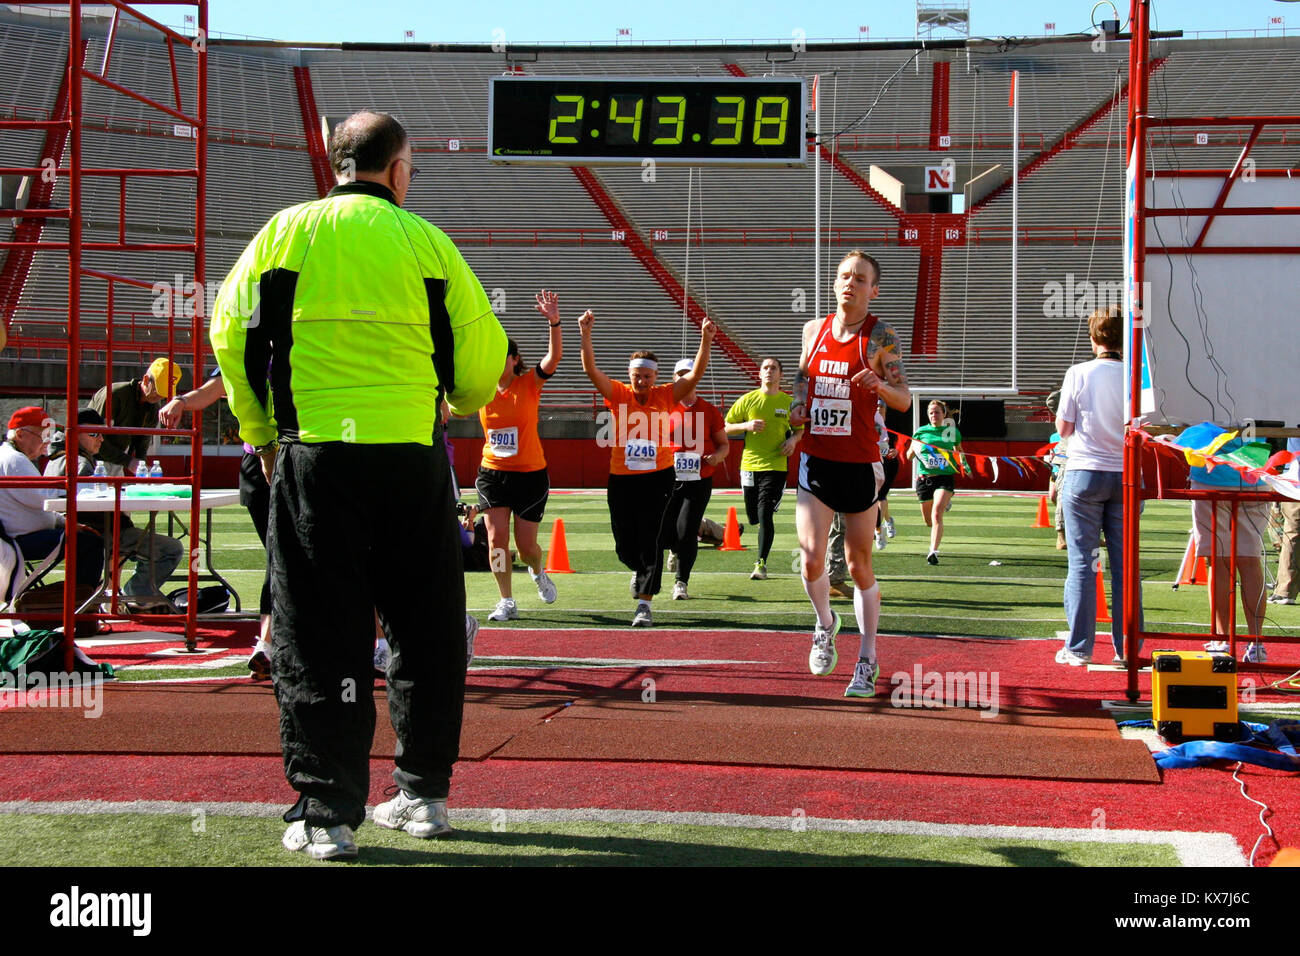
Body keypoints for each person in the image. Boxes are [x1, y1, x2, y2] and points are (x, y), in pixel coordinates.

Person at [210, 110, 507, 860]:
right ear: (399, 169)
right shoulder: (428, 243)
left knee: (319, 632)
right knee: (426, 627)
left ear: (336, 160)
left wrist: (259, 430)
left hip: (316, 459)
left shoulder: (285, 232)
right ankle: (422, 795)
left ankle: (325, 812)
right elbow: (479, 369)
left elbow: (231, 333)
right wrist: (446, 398)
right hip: (410, 459)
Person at [790, 250, 911, 698]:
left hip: (860, 463)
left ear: (873, 290)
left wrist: (879, 384)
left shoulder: (880, 337)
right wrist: (799, 406)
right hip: (817, 460)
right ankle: (825, 624)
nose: (849, 283)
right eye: (844, 276)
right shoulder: (813, 329)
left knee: (860, 566)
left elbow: (904, 398)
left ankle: (868, 656)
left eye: (859, 279)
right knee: (810, 558)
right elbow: (803, 375)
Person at [580, 309, 715, 626]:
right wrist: (585, 334)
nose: (641, 381)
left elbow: (694, 376)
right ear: (630, 375)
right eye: (637, 375)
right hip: (622, 479)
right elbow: (591, 370)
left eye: (647, 376)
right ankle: (638, 570)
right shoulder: (619, 394)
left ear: (656, 377)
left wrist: (705, 340)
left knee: (651, 537)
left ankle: (645, 604)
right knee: (625, 545)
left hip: (658, 477)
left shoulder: (665, 395)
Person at [158, 369, 277, 675]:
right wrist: (181, 401)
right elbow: (213, 388)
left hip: (303, 455)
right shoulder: (245, 348)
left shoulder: (309, 340)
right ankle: (269, 644)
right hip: (264, 460)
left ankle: (273, 644)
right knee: (281, 555)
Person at [1055, 305, 1141, 666]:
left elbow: (1063, 428)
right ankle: (1128, 649)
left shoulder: (1079, 372)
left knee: (1083, 563)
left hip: (1085, 472)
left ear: (1094, 340)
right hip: (1125, 475)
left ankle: (1078, 648)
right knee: (1125, 567)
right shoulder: (1135, 376)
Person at [478, 289, 563, 622]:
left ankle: (538, 570)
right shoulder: (481, 387)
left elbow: (553, 359)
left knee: (526, 548)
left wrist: (554, 322)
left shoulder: (529, 383)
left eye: (503, 356)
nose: (497, 362)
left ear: (514, 359)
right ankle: (506, 599)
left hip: (530, 475)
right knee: (496, 539)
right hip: (493, 473)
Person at [45, 407, 183, 607]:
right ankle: (135, 598)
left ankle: (132, 597)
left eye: (102, 433)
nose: (100, 439)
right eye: (94, 433)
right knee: (171, 548)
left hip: (73, 529)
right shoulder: (79, 463)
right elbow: (93, 505)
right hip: (94, 532)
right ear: (73, 434)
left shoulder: (58, 460)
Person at [1183, 426, 1270, 664]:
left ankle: (1222, 639)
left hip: (1215, 476)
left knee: (1219, 560)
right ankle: (1254, 642)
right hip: (1251, 472)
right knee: (1247, 561)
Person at [0, 406, 103, 589]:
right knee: (91, 543)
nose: (47, 440)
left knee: (87, 540)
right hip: (18, 539)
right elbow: (46, 498)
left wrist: (64, 523)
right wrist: (85, 488)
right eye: (43, 434)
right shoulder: (14, 459)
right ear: (21, 434)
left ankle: (71, 601)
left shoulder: (12, 457)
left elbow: (39, 499)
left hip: (16, 536)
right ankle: (79, 605)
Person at [724, 357, 801, 580]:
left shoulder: (789, 403)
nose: (769, 371)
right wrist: (746, 425)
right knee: (753, 518)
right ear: (759, 374)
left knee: (765, 513)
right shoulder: (747, 400)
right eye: (765, 368)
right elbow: (726, 427)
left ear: (780, 374)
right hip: (749, 466)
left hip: (776, 466)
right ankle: (758, 537)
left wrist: (793, 441)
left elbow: (799, 429)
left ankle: (761, 563)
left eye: (773, 368)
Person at [663, 357, 729, 600]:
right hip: (668, 479)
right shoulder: (664, 407)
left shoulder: (710, 411)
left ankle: (681, 582)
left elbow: (724, 445)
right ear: (674, 379)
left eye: (688, 374)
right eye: (679, 374)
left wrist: (717, 456)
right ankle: (672, 550)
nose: (684, 379)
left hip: (699, 479)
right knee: (663, 530)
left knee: (687, 530)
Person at [89, 357, 183, 476]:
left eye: (164, 393)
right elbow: (93, 435)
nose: (160, 396)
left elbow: (142, 443)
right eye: (158, 390)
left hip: (116, 462)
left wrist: (142, 468)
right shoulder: (115, 395)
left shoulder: (153, 407)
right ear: (146, 380)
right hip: (91, 460)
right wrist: (129, 461)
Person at [906, 399, 964, 565]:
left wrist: (961, 460)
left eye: (937, 412)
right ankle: (944, 505)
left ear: (944, 414)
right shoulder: (920, 432)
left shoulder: (951, 432)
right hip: (925, 480)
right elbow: (909, 455)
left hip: (944, 478)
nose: (934, 415)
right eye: (931, 412)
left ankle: (933, 551)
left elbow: (959, 451)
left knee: (937, 513)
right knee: (928, 521)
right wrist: (914, 449)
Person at [1270, 437, 1300, 607]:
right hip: (1294, 482)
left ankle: (1285, 590)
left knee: (1292, 535)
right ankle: (1284, 588)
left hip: (1296, 486)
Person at [1045, 389, 1068, 550]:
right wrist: (1066, 389)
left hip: (1091, 458)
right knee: (1060, 498)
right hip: (1066, 461)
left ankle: (1095, 535)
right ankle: (1061, 535)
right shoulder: (1068, 408)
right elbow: (1052, 402)